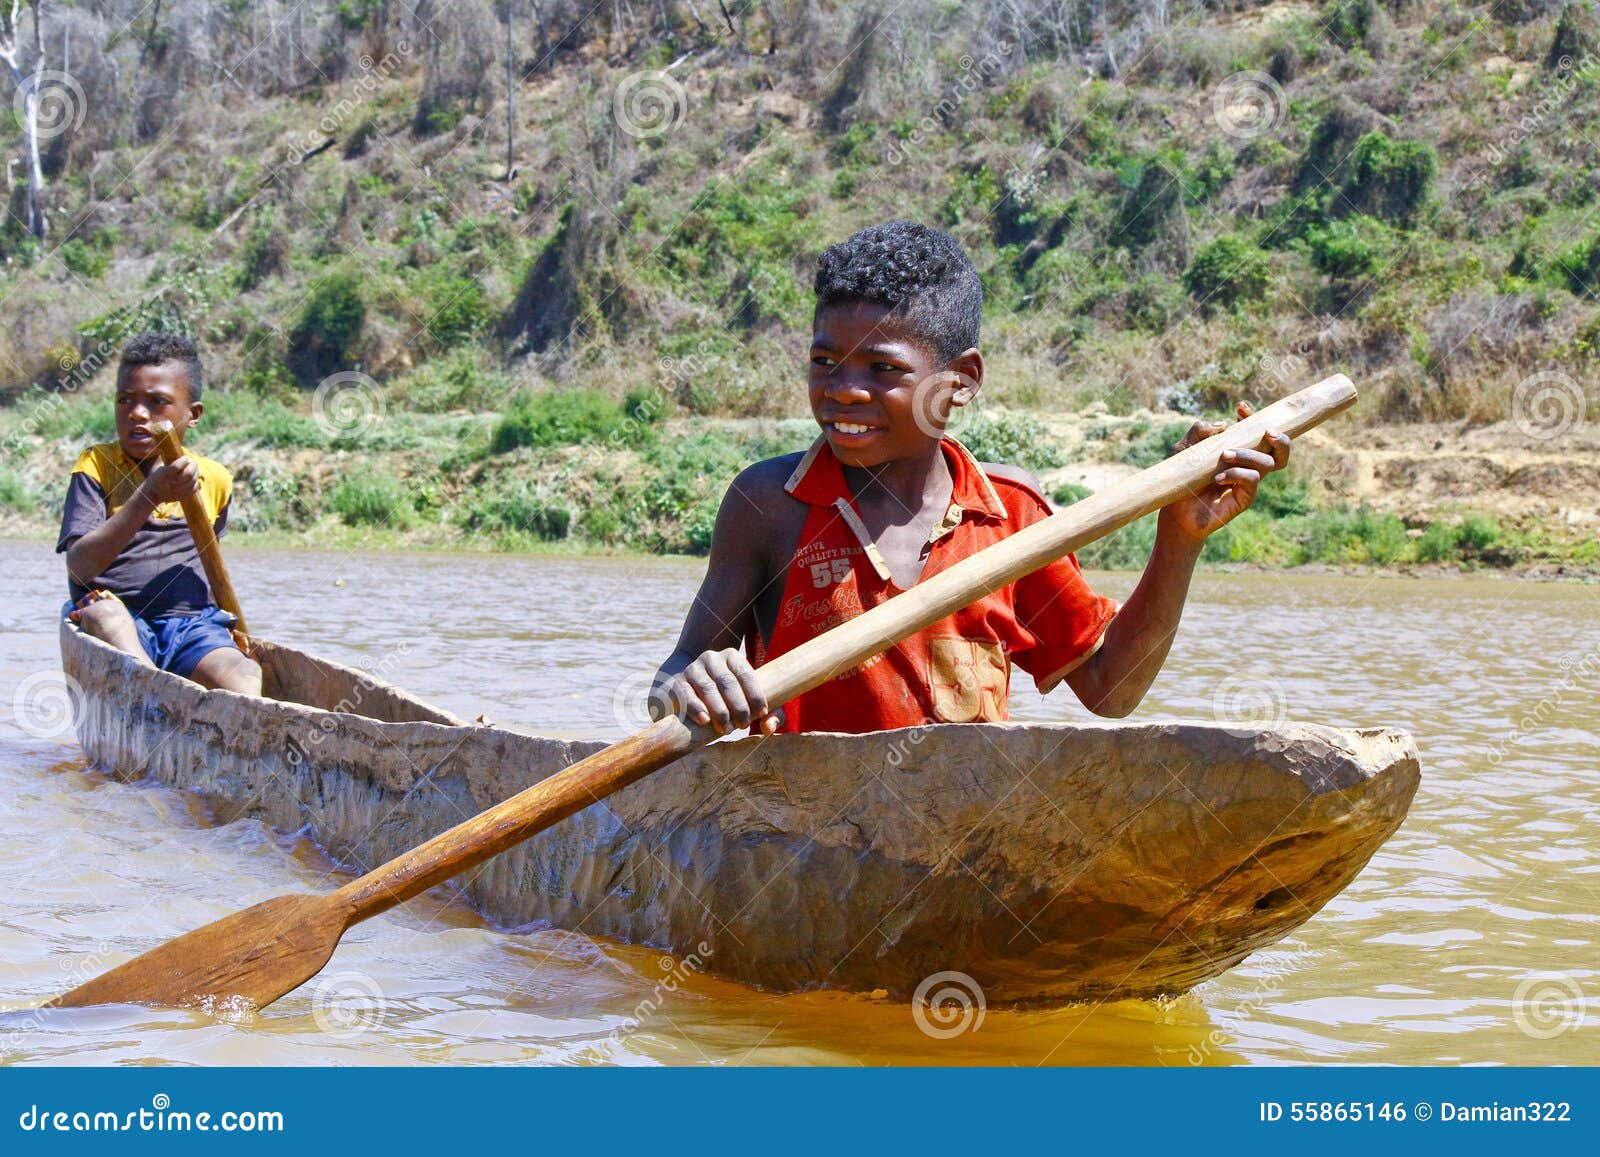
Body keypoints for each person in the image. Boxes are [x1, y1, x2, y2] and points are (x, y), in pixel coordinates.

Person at [653, 220, 1290, 735]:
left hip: (964, 840)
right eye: (825, 361)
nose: (843, 390)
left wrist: (1179, 537)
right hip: (810, 837)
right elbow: (672, 680)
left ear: (961, 380)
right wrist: (692, 686)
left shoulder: (1011, 516)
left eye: (882, 369)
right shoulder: (769, 504)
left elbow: (1111, 689)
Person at [57, 332, 262, 695]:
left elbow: (209, 566)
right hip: (120, 616)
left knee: (244, 677)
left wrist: (230, 634)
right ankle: (154, 691)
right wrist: (150, 495)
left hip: (191, 626)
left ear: (193, 414)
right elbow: (80, 567)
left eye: (157, 402)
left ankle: (213, 700)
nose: (137, 413)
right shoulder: (97, 466)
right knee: (106, 617)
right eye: (125, 400)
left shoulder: (214, 478)